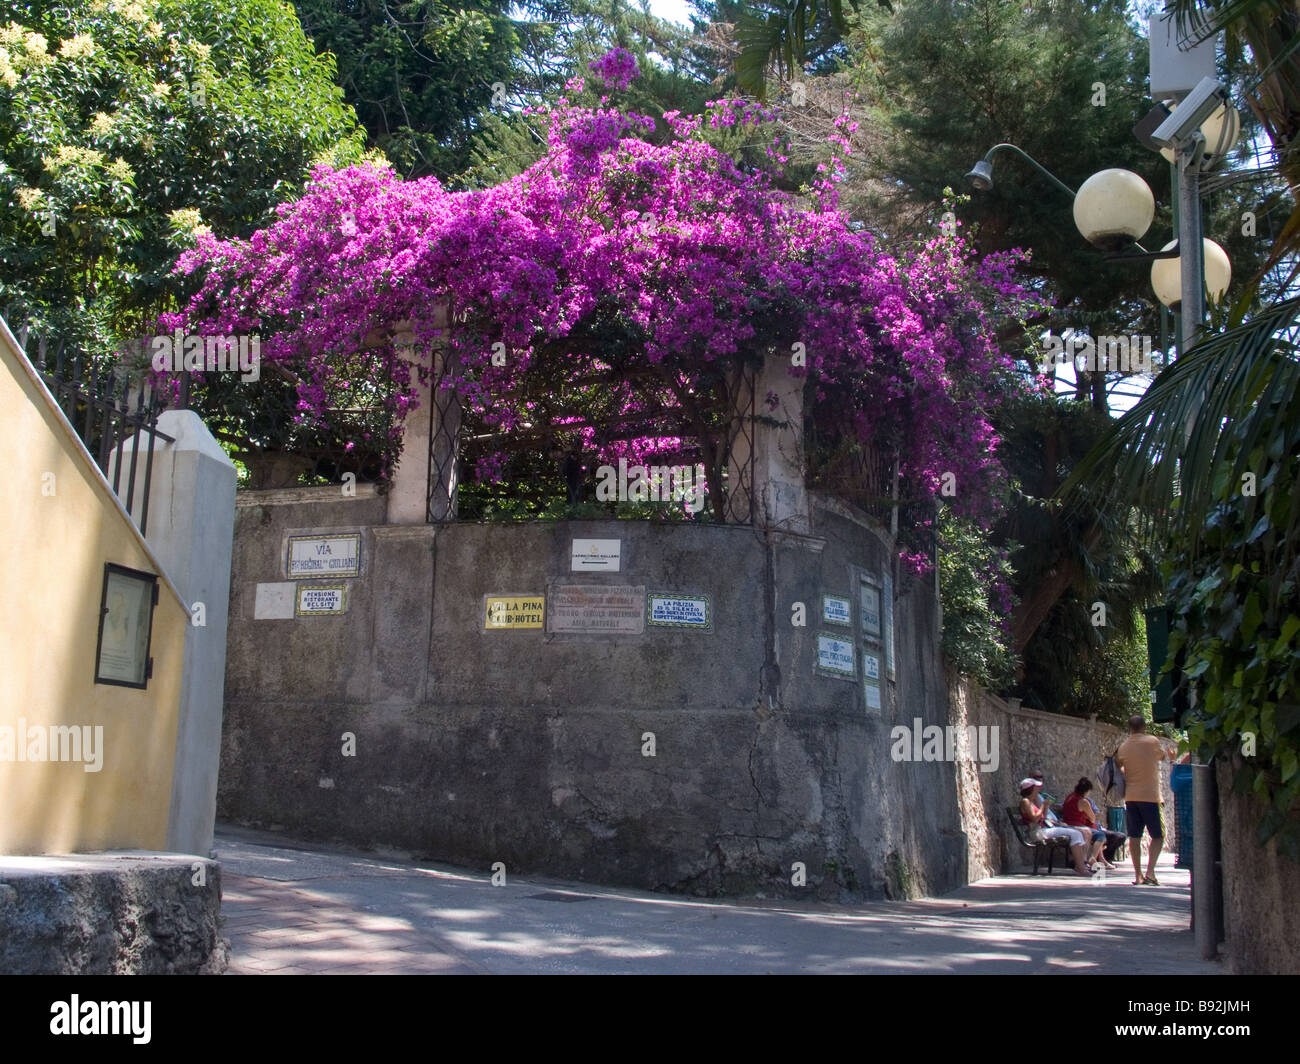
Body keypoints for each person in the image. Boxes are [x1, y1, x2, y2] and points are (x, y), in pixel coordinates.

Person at [1116, 715, 1177, 885]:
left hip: (1131, 797)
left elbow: (1120, 765)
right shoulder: (1152, 741)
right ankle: (1150, 872)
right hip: (1150, 796)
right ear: (1144, 727)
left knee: (1134, 836)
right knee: (1158, 835)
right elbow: (1162, 757)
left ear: (1129, 728)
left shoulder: (1123, 746)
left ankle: (1138, 875)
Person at [1019, 778, 1094, 876]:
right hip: (1037, 833)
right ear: (1031, 789)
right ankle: (1081, 868)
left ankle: (1081, 866)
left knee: (1078, 833)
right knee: (1075, 834)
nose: (1038, 790)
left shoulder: (1031, 802)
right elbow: (1034, 819)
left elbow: (1042, 817)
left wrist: (1045, 807)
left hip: (1043, 830)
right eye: (1036, 788)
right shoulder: (1025, 802)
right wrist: (1043, 806)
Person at [1062, 777, 1121, 870]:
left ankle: (1101, 859)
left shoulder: (1070, 797)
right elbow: (1093, 818)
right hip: (1078, 826)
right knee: (1101, 836)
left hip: (1068, 824)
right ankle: (1092, 858)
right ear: (1087, 791)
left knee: (1097, 832)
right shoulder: (1083, 801)